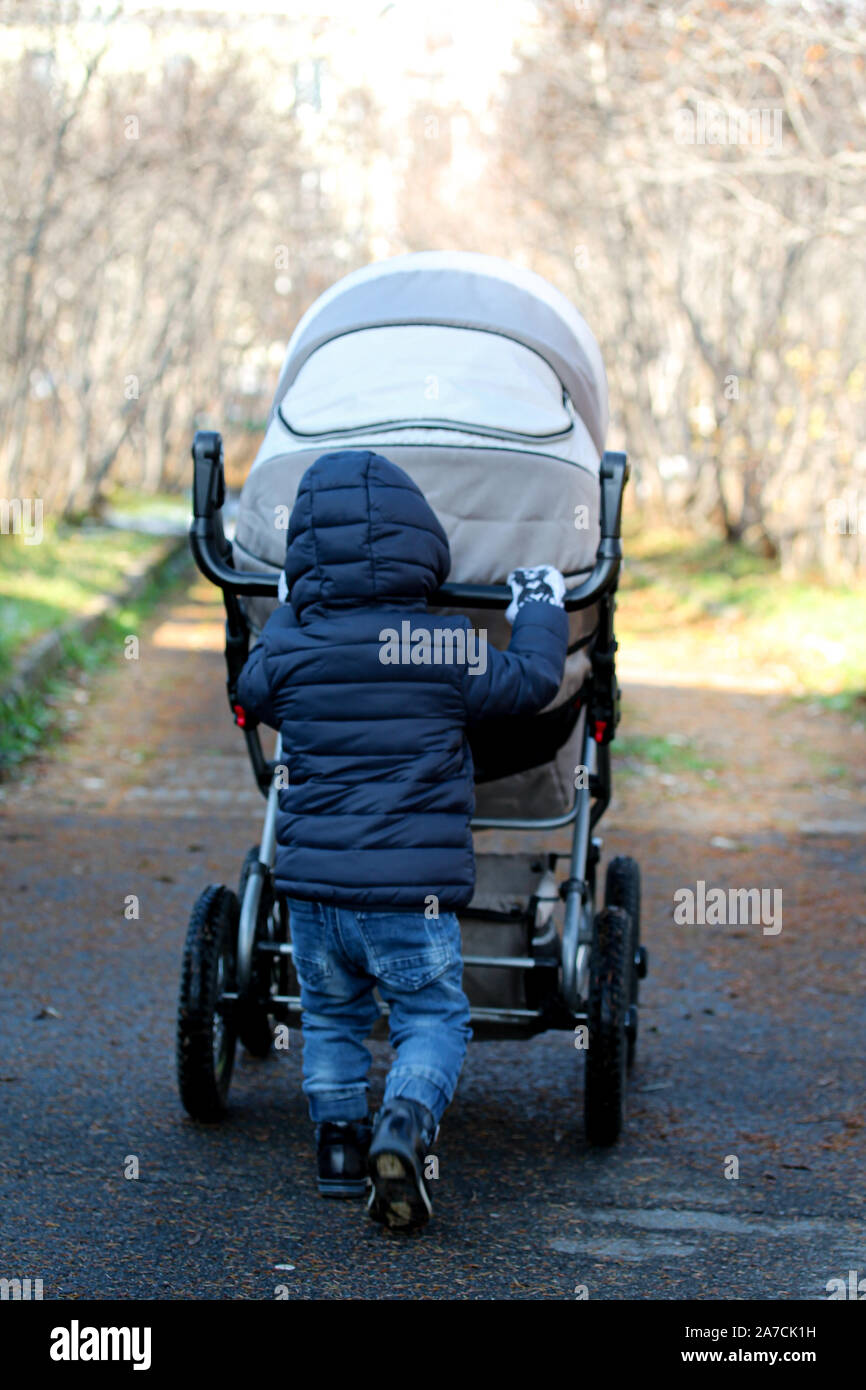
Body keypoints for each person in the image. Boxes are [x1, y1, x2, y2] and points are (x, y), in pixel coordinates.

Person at [237, 448, 568, 1230]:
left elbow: (248, 695)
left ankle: (340, 1151)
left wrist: (287, 611)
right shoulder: (438, 643)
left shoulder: (291, 647)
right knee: (430, 1018)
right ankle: (407, 1122)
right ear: (425, 545)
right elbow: (529, 683)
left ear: (304, 559)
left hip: (315, 895)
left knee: (331, 1018)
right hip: (409, 900)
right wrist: (540, 607)